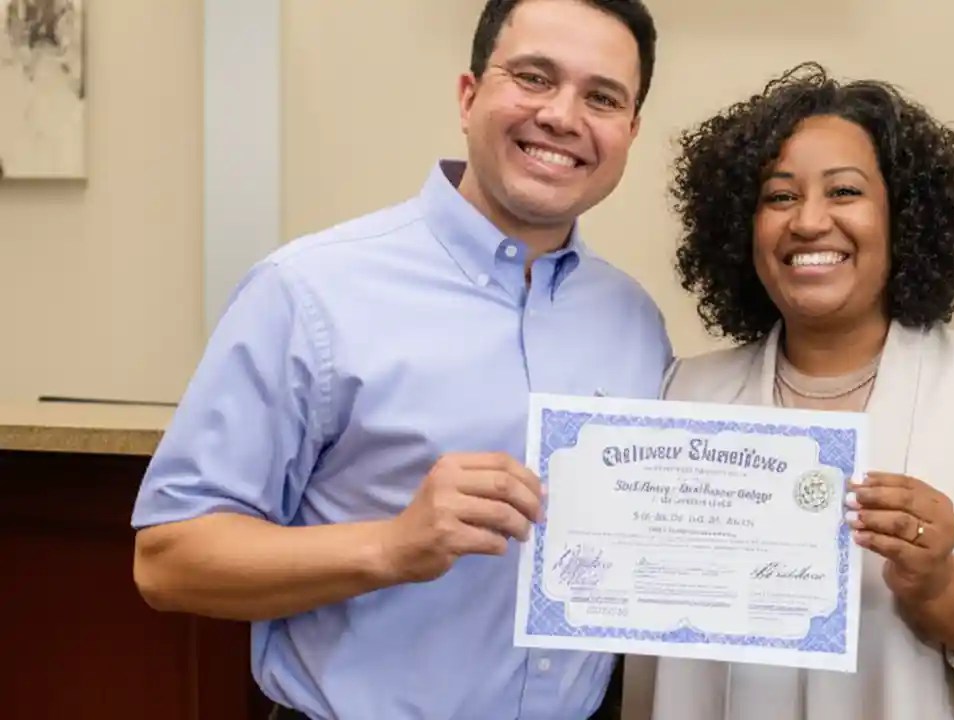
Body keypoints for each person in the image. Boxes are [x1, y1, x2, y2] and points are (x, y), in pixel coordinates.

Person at [129, 1, 668, 718]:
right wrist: (391, 546)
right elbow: (168, 562)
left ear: (629, 131)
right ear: (469, 97)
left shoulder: (634, 323)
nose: (564, 116)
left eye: (602, 97)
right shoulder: (307, 292)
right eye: (535, 77)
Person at [622, 62, 954, 720]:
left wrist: (944, 587)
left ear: (904, 219)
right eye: (778, 197)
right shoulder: (683, 393)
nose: (808, 221)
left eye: (844, 192)